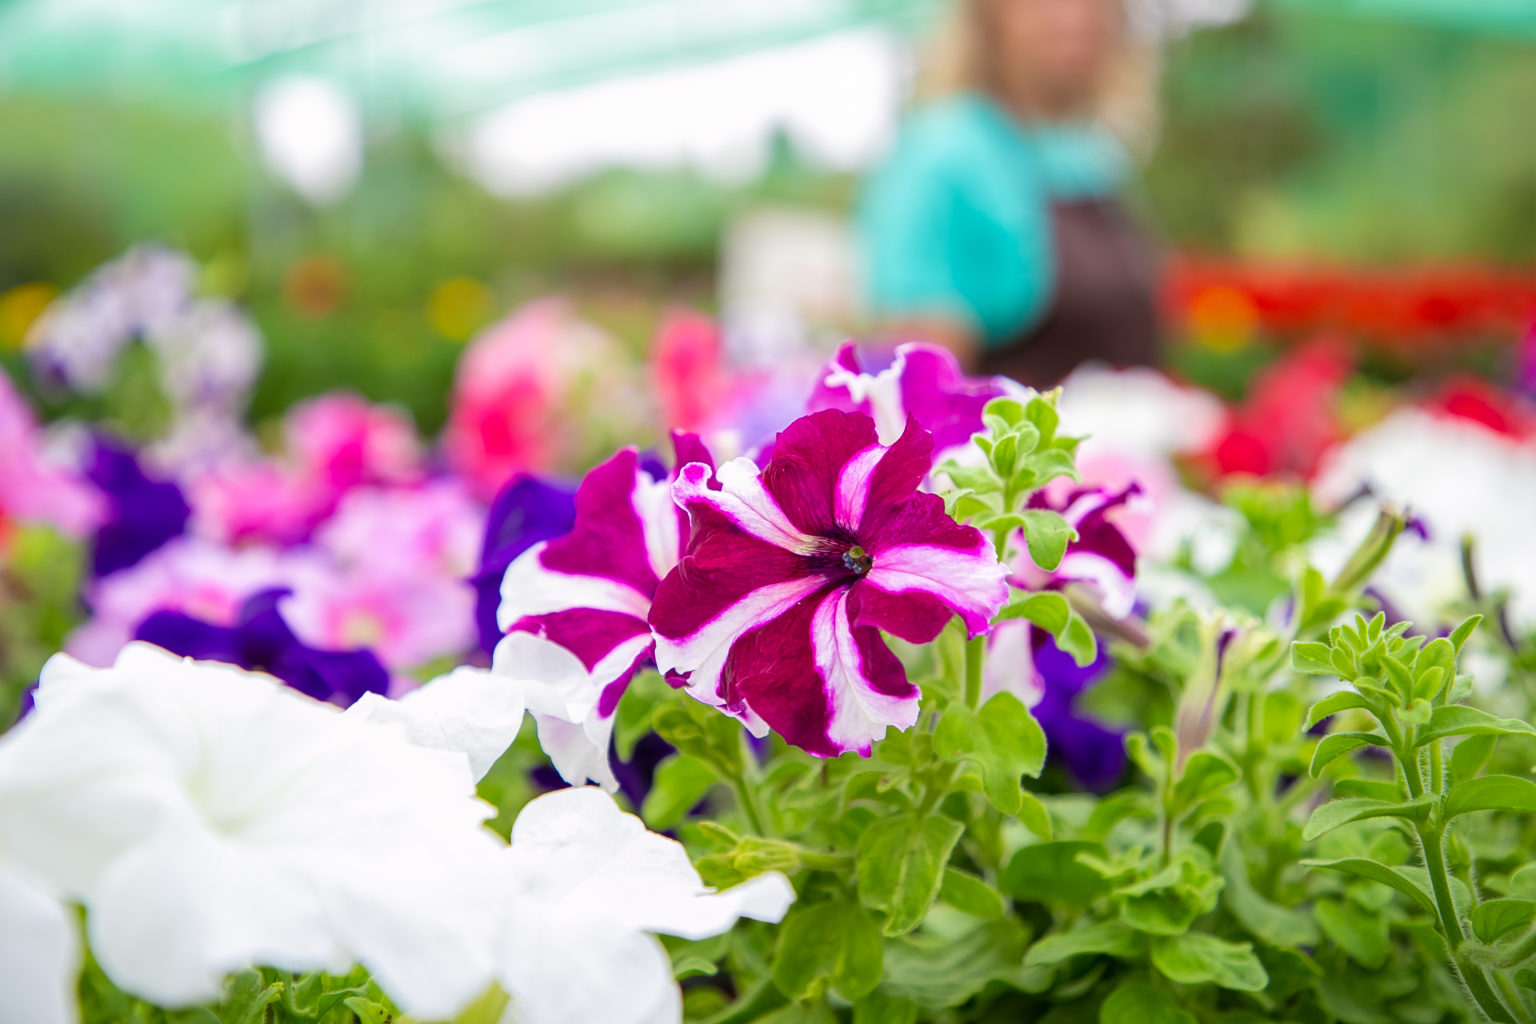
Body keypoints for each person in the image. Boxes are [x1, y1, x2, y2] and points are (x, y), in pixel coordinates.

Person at [860, 0, 1163, 387]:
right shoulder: (943, 152)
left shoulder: (1092, 157)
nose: (1076, 18)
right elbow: (922, 387)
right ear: (988, 18)